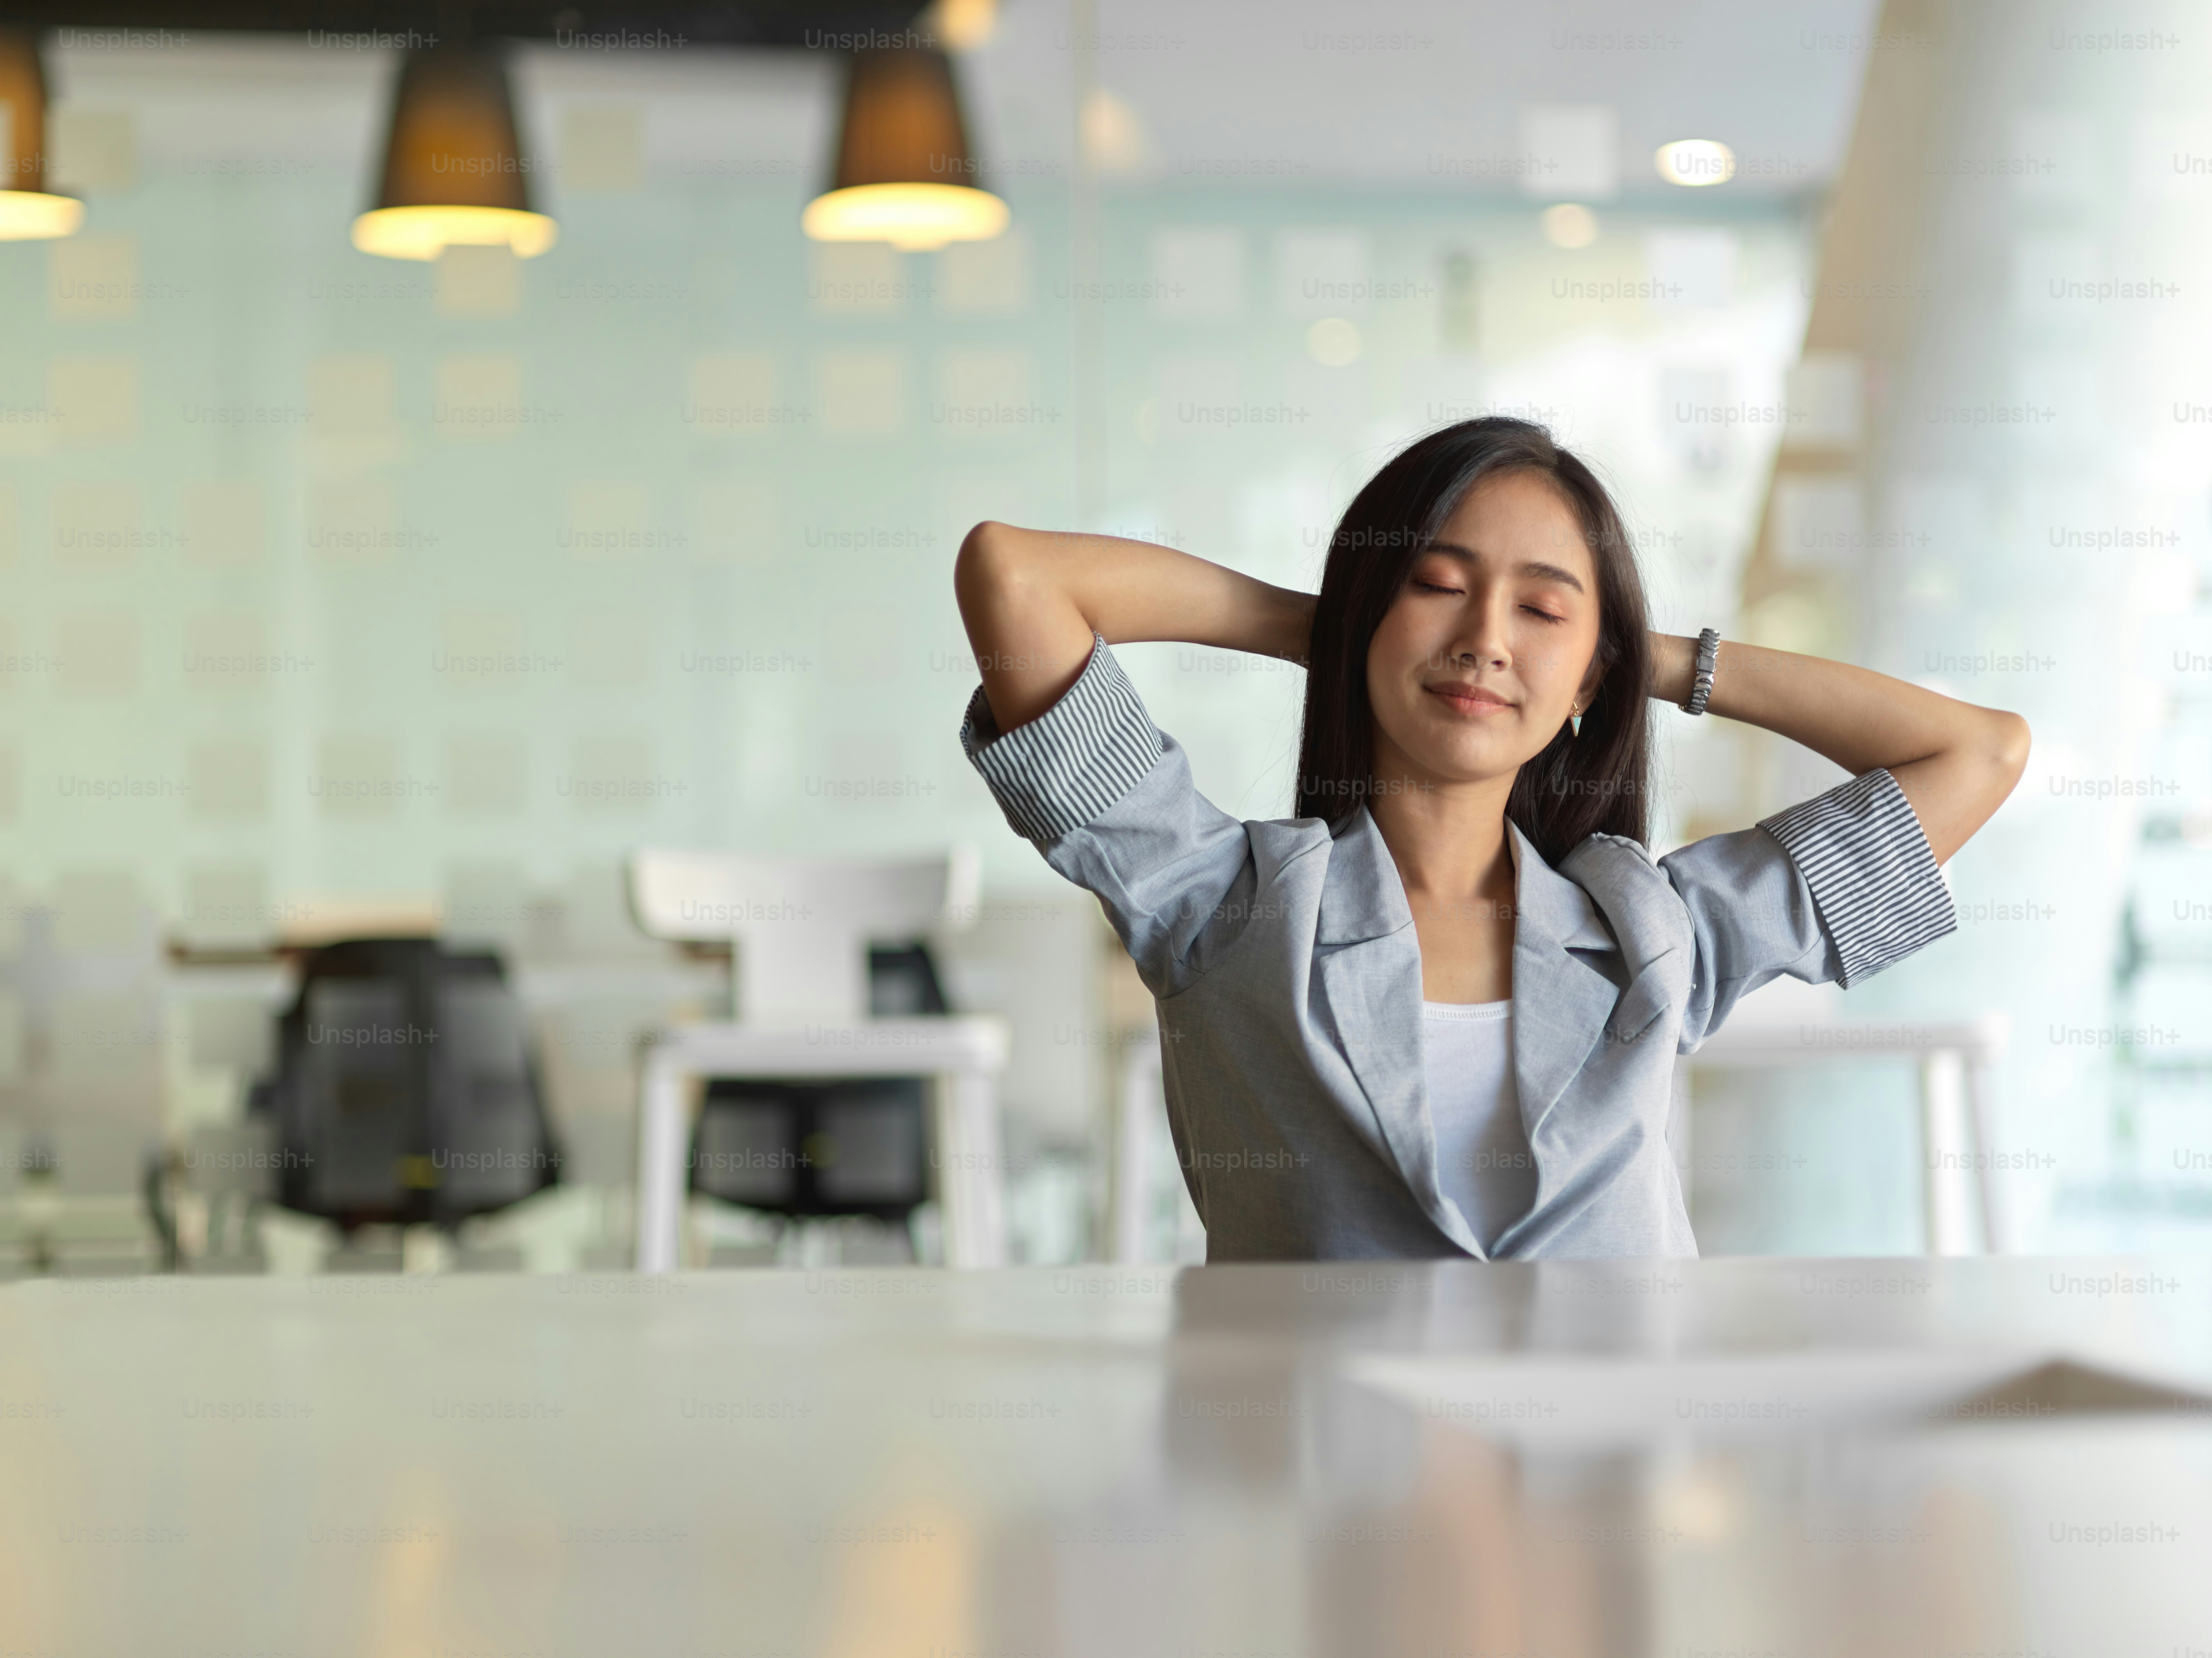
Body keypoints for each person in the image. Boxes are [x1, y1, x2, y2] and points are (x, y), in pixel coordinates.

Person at [951, 418, 2029, 1261]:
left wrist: (1628, 660)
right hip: (1314, 1498)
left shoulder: (1651, 933)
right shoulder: (1218, 903)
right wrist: (1333, 631)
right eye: (1435, 587)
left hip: (1605, 1500)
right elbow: (1014, 576)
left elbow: (1977, 753)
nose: (1482, 641)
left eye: (1540, 610)